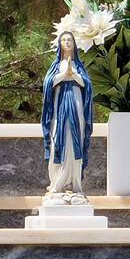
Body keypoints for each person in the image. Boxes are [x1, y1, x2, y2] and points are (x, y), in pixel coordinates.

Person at [41, 31, 94, 203]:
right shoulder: (56, 66)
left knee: (75, 138)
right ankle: (57, 184)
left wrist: (74, 75)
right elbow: (48, 84)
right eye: (63, 40)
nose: (67, 42)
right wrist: (64, 76)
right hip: (59, 105)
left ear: (74, 43)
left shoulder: (79, 66)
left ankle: (75, 185)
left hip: (77, 104)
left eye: (69, 39)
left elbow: (87, 85)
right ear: (60, 44)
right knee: (58, 139)